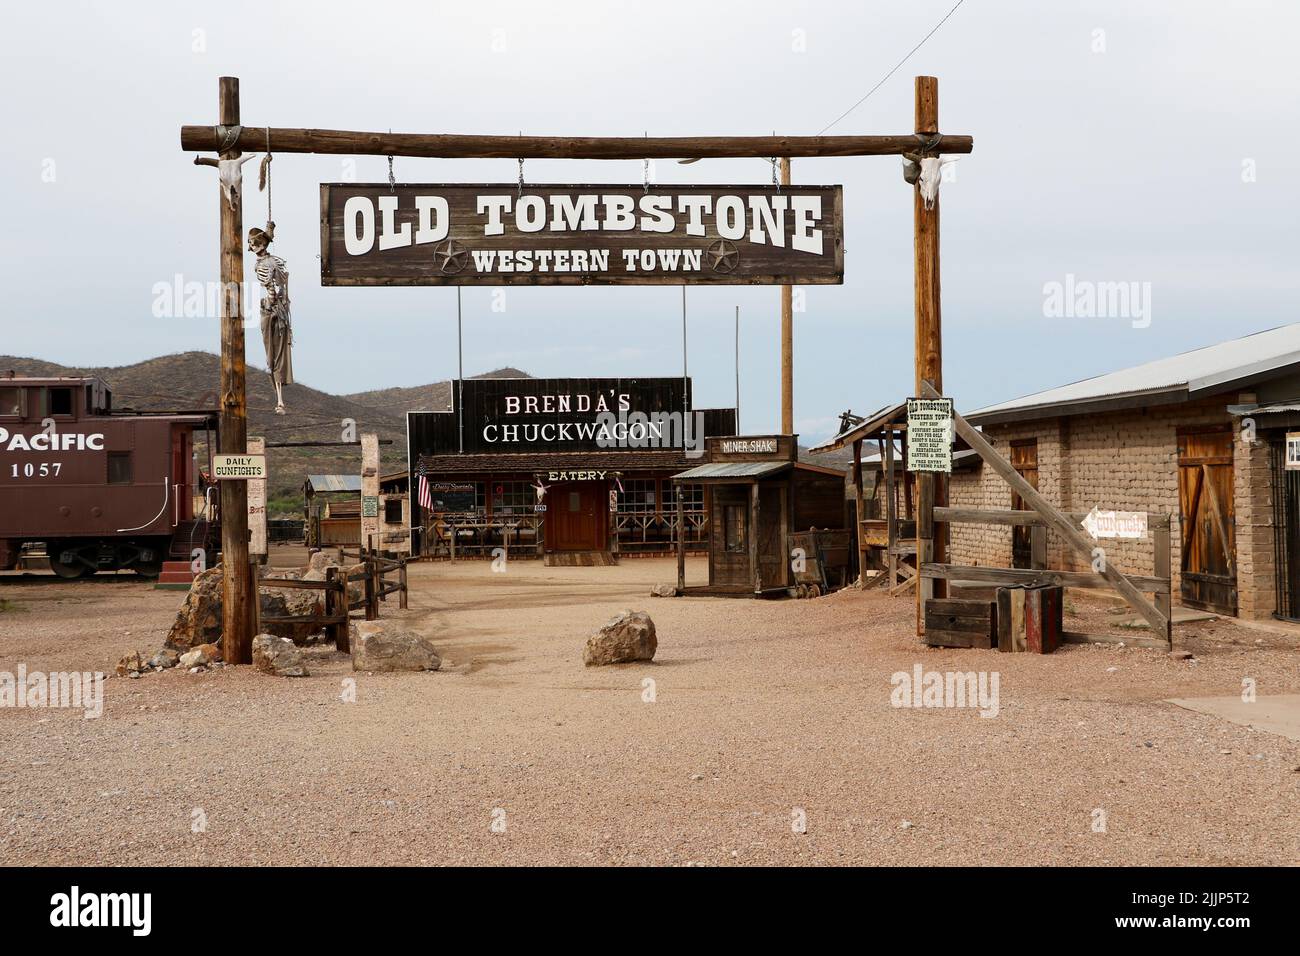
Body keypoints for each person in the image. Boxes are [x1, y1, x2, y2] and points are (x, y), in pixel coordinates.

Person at [247, 222, 294, 413]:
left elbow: (271, 288)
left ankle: (280, 401)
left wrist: (271, 302)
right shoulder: (273, 261)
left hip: (272, 310)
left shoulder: (265, 265)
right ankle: (280, 400)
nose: (250, 247)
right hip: (279, 310)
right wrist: (270, 232)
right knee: (276, 355)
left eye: (252, 243)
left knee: (272, 356)